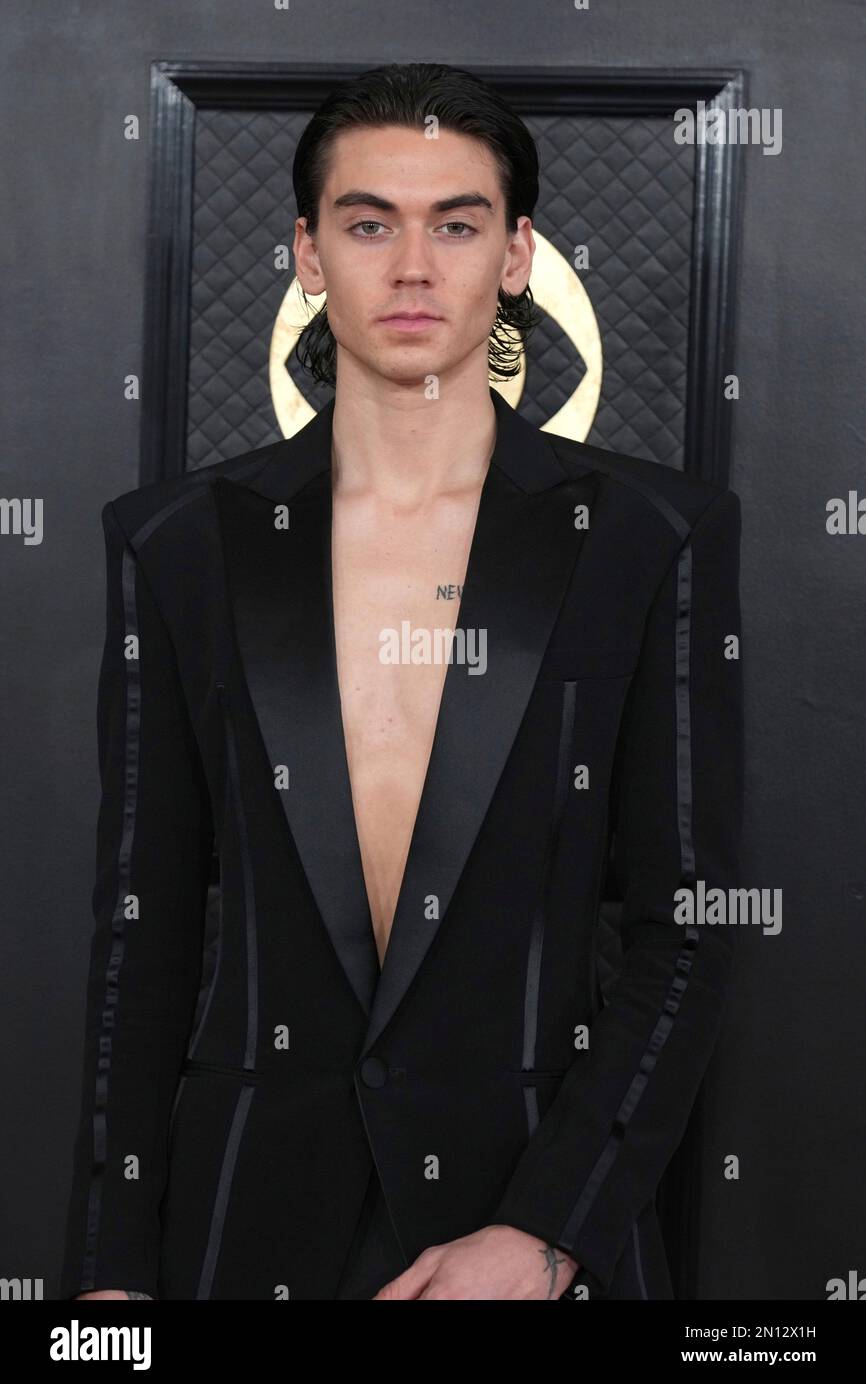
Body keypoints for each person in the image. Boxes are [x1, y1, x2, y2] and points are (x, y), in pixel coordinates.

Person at [61, 61, 743, 1301]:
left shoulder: (650, 534)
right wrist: (109, 1273)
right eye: (369, 223)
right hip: (239, 1224)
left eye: (457, 223)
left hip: (530, 1220)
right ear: (309, 256)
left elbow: (686, 930)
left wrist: (547, 1230)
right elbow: (140, 929)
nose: (413, 266)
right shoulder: (177, 542)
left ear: (517, 252)